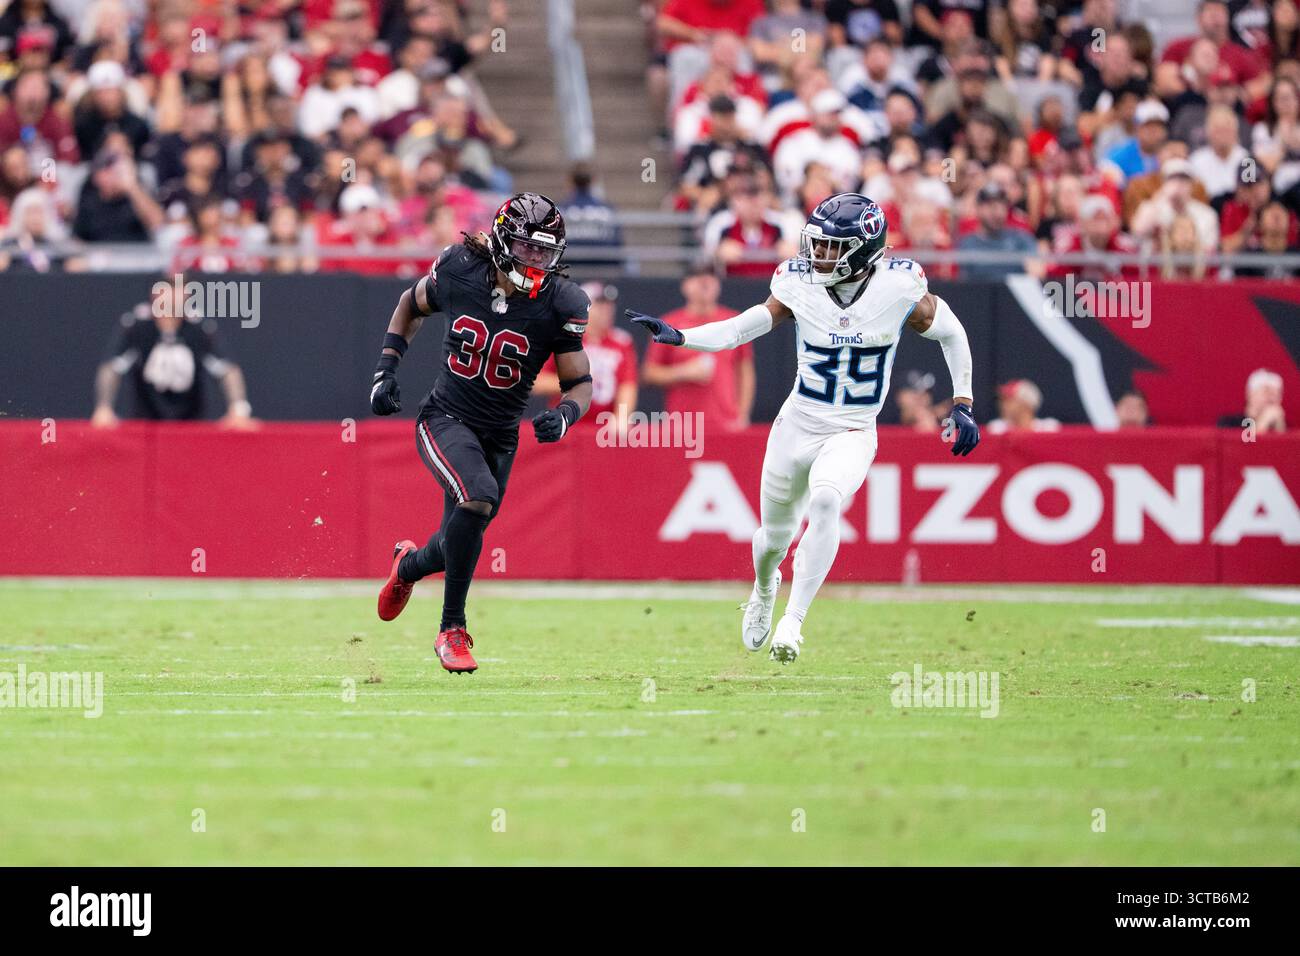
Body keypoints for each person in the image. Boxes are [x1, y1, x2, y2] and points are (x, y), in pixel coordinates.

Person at [629, 193, 979, 664]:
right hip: (796, 424)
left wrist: (963, 402)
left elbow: (952, 331)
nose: (818, 254)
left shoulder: (899, 288)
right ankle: (764, 587)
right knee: (773, 539)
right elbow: (742, 328)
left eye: (832, 247)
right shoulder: (800, 284)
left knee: (827, 498)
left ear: (863, 249)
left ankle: (793, 623)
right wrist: (684, 336)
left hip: (853, 429)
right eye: (817, 243)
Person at [370, 193, 593, 674]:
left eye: (545, 252)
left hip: (500, 435)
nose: (536, 261)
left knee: (458, 541)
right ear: (502, 240)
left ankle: (406, 566)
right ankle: (452, 628)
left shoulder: (561, 302)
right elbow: (410, 305)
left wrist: (568, 414)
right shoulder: (460, 269)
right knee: (478, 498)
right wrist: (386, 370)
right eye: (528, 249)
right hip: (445, 418)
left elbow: (579, 382)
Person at [91, 277, 254, 428]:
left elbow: (226, 369)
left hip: (190, 421)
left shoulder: (199, 327)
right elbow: (112, 367)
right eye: (168, 289)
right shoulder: (138, 325)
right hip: (145, 421)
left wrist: (238, 408)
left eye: (178, 290)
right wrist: (103, 407)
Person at [642, 263, 756, 433]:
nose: (705, 281)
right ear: (685, 285)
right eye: (697, 276)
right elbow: (649, 373)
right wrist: (683, 372)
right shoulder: (669, 324)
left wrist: (743, 414)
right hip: (682, 426)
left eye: (711, 276)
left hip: (726, 423)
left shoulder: (733, 322)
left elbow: (745, 371)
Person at [534, 282, 638, 436]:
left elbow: (627, 384)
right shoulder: (562, 337)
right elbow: (538, 382)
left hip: (605, 429)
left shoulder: (622, 342)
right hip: (567, 424)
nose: (606, 311)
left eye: (609, 306)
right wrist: (576, 383)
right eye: (600, 305)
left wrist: (622, 416)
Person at [986, 379, 1060, 433]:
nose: (1002, 405)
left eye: (1009, 400)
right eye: (1002, 401)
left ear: (1026, 403)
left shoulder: (1049, 428)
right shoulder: (997, 429)